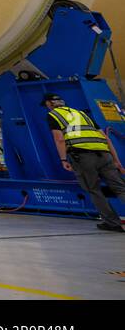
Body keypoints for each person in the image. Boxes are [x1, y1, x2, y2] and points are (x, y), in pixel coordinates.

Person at [44, 94, 125, 232]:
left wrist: (63, 159)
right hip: (104, 155)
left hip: (82, 157)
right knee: (120, 187)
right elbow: (106, 139)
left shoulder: (54, 115)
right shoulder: (81, 114)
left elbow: (59, 139)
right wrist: (117, 161)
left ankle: (112, 223)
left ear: (49, 104)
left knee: (94, 189)